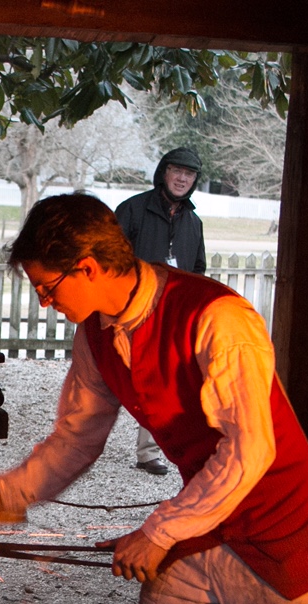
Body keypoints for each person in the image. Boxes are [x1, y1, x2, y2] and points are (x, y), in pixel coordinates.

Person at [0, 193, 308, 604]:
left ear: (88, 267)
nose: (44, 301)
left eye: (48, 287)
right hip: (203, 527)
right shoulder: (95, 334)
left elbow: (249, 450)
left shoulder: (218, 318)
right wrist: (2, 496)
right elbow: (75, 439)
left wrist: (158, 533)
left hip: (283, 534)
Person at [115, 147, 208, 476]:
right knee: (109, 376)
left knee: (158, 380)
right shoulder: (133, 210)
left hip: (170, 315)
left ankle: (148, 452)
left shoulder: (194, 222)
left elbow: (198, 269)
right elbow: (112, 257)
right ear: (163, 173)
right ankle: (78, 443)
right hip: (130, 309)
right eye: (177, 171)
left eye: (190, 174)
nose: (183, 178)